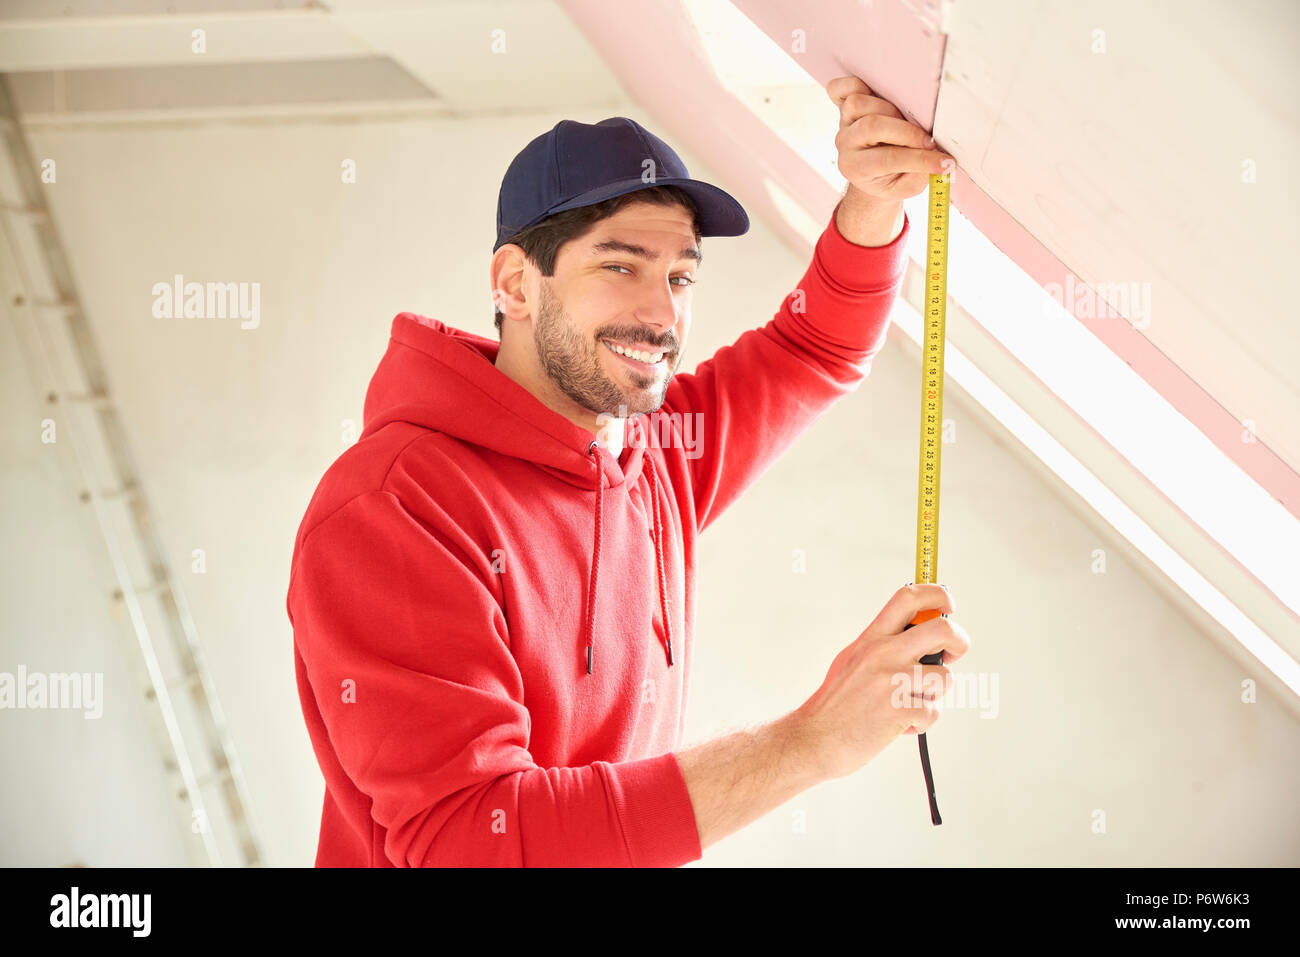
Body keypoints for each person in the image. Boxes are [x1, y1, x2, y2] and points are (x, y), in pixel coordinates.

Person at [287, 76, 971, 867]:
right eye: (621, 266)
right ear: (515, 282)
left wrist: (873, 197)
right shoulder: (395, 506)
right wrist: (809, 742)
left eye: (681, 275)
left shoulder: (656, 453)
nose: (661, 313)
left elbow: (816, 346)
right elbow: (472, 840)